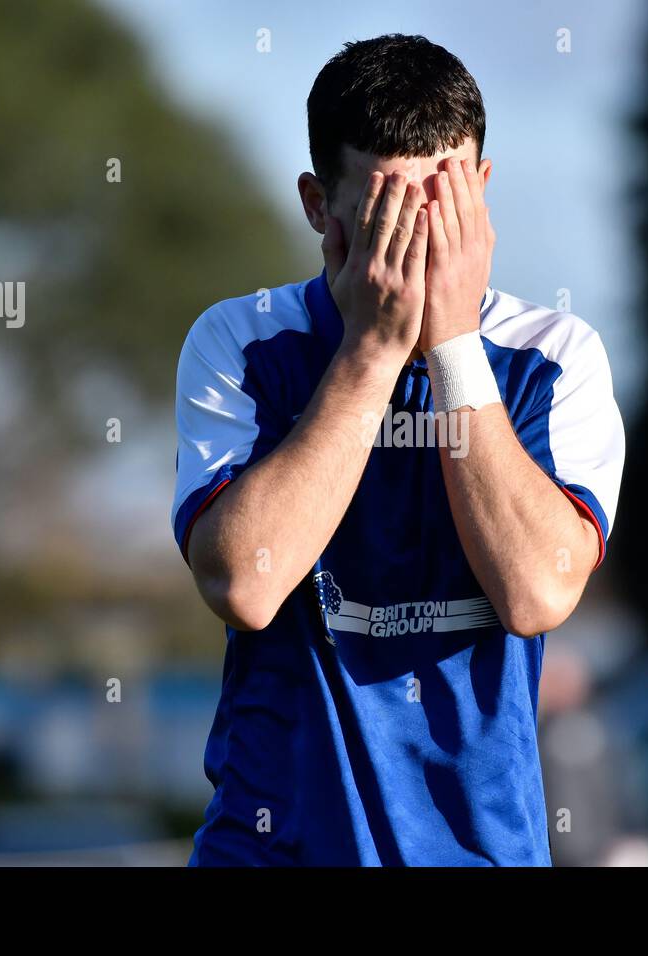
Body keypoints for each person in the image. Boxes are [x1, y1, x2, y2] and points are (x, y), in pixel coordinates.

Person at [171, 33, 624, 865]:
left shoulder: (555, 357)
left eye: (442, 204)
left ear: (482, 190)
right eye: (386, 208)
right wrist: (372, 352)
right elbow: (244, 582)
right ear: (319, 205)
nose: (420, 240)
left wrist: (452, 347)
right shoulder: (242, 342)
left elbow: (537, 592)